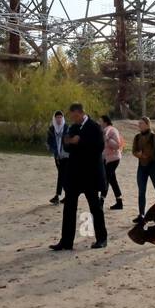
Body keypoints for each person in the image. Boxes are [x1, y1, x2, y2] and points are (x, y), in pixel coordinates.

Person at [50, 103, 108, 250]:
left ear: (81, 113)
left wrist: (80, 141)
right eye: (71, 116)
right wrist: (71, 141)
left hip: (90, 175)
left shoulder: (94, 127)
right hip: (74, 174)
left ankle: (101, 239)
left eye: (75, 116)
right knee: (69, 208)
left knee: (95, 208)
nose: (73, 119)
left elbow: (99, 147)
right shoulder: (73, 127)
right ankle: (66, 241)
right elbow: (66, 143)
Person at [131, 117, 155, 223]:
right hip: (141, 166)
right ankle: (141, 214)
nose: (139, 125)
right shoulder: (137, 137)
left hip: (153, 166)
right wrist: (138, 154)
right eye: (139, 123)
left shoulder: (153, 136)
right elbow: (134, 150)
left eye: (141, 123)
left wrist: (146, 155)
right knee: (141, 191)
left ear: (147, 124)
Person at [101, 115, 124, 210]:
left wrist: (107, 139)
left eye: (101, 121)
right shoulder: (106, 130)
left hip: (113, 159)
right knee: (112, 180)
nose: (99, 123)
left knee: (106, 179)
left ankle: (101, 201)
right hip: (108, 159)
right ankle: (119, 202)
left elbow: (117, 145)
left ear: (105, 122)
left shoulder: (111, 130)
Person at [45, 110, 69, 204]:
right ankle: (67, 195)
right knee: (62, 175)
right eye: (57, 117)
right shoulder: (52, 129)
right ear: (54, 119)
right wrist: (54, 151)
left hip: (66, 155)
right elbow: (50, 142)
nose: (59, 119)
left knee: (61, 175)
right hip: (57, 155)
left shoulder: (66, 128)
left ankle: (58, 196)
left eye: (60, 117)